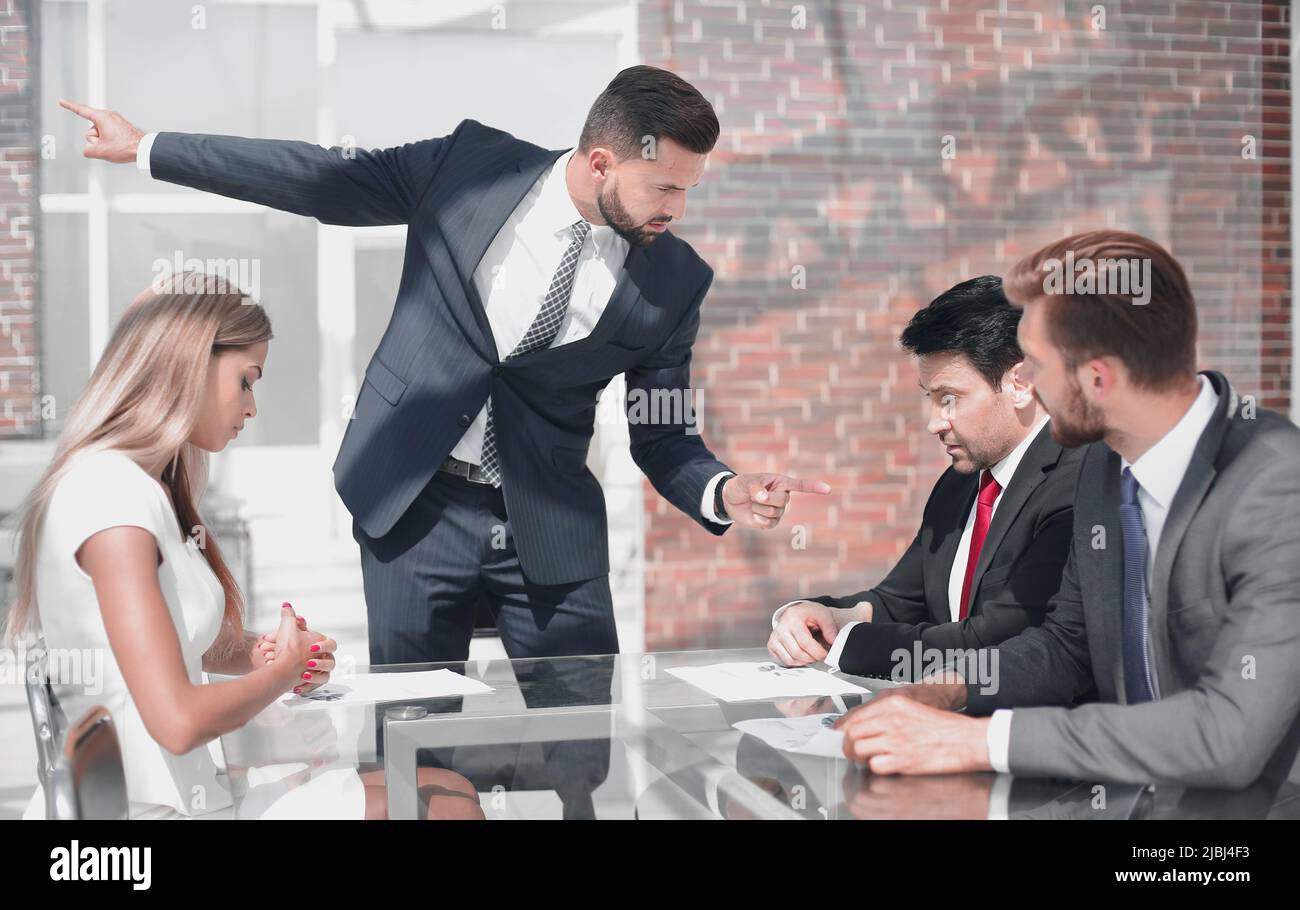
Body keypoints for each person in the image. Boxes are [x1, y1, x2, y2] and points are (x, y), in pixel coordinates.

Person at [59, 65, 831, 667]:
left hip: (552, 531)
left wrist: (724, 488)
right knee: (414, 741)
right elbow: (321, 178)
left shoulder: (673, 279)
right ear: (601, 161)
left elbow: (662, 435)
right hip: (411, 507)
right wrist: (149, 147)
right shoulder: (469, 168)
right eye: (665, 186)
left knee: (584, 748)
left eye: (690, 189)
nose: (678, 209)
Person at [835, 230, 1300, 791]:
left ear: (1098, 378)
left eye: (1035, 364)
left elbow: (1228, 737)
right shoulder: (1107, 466)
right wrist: (943, 687)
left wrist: (973, 741)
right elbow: (1065, 647)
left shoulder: (1275, 482)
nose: (1024, 385)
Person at [7, 272, 481, 819]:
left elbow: (174, 646)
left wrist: (267, 654)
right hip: (149, 815)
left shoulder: (141, 487)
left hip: (191, 794)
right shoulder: (111, 500)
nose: (252, 407)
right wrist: (280, 675)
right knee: (447, 808)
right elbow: (178, 721)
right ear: (188, 361)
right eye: (246, 380)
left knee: (450, 788)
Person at [767, 277, 1083, 680]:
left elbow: (997, 642)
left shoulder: (1077, 483)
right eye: (929, 398)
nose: (935, 422)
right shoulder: (961, 482)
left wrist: (841, 643)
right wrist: (820, 616)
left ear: (1021, 384)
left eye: (949, 398)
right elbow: (899, 601)